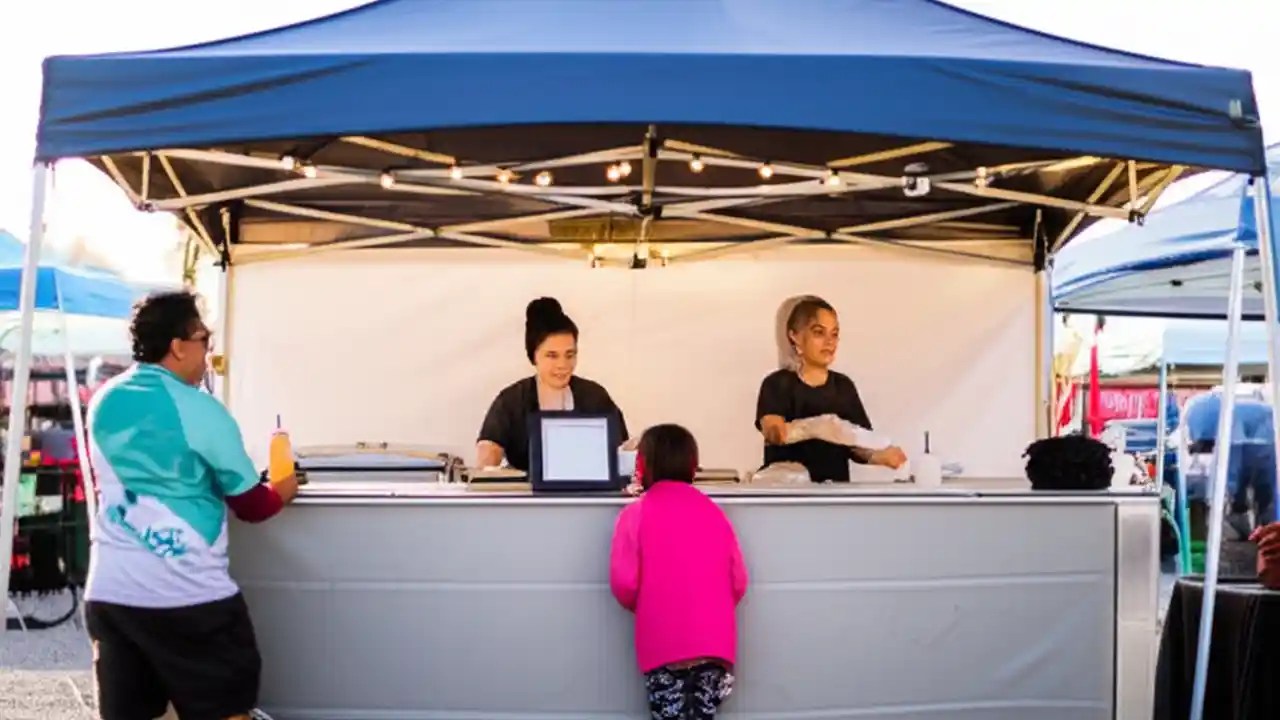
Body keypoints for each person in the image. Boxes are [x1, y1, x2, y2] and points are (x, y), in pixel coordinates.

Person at [84, 290, 299, 720]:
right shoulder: (200, 409)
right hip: (189, 598)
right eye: (204, 340)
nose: (208, 353)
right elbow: (253, 505)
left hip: (111, 594)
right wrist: (284, 486)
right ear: (179, 345)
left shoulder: (105, 400)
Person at [609, 424, 747, 720]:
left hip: (662, 644)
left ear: (642, 465)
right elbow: (739, 581)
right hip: (715, 645)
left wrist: (649, 606)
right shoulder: (715, 512)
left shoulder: (635, 514)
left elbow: (624, 583)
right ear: (693, 466)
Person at [755, 296, 906, 482]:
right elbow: (774, 432)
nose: (830, 342)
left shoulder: (843, 386)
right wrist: (818, 427)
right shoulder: (777, 384)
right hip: (788, 498)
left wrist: (880, 456)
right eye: (819, 333)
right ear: (794, 336)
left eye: (834, 334)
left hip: (834, 496)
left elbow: (856, 447)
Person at [477, 297, 628, 469]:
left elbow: (621, 452)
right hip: (528, 494)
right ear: (533, 356)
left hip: (587, 494)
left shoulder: (594, 396)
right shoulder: (512, 401)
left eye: (570, 355)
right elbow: (487, 455)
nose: (563, 365)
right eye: (552, 355)